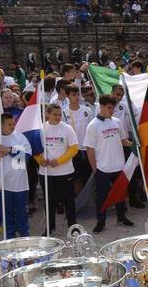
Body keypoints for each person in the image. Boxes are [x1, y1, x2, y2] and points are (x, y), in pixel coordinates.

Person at [84, 95, 135, 232]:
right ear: (101, 106)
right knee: (101, 197)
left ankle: (121, 217)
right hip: (103, 168)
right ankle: (101, 222)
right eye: (109, 107)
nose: (112, 110)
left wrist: (135, 145)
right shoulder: (93, 125)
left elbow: (124, 140)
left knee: (120, 194)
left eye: (113, 107)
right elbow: (89, 149)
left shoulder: (117, 122)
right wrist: (95, 168)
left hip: (119, 165)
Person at [37, 103, 79, 234]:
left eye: (60, 114)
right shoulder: (41, 128)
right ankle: (50, 227)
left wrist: (58, 161)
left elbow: (74, 148)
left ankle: (72, 226)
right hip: (46, 173)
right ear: (47, 114)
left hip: (65, 172)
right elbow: (35, 148)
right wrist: (40, 160)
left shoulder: (67, 128)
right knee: (49, 202)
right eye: (54, 114)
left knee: (69, 201)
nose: (57, 117)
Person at [0, 111, 31, 238]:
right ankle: (9, 236)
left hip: (20, 183)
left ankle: (24, 234)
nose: (12, 126)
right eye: (9, 124)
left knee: (21, 212)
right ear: (1, 125)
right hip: (3, 184)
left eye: (13, 123)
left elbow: (27, 156)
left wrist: (9, 150)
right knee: (6, 212)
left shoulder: (20, 137)